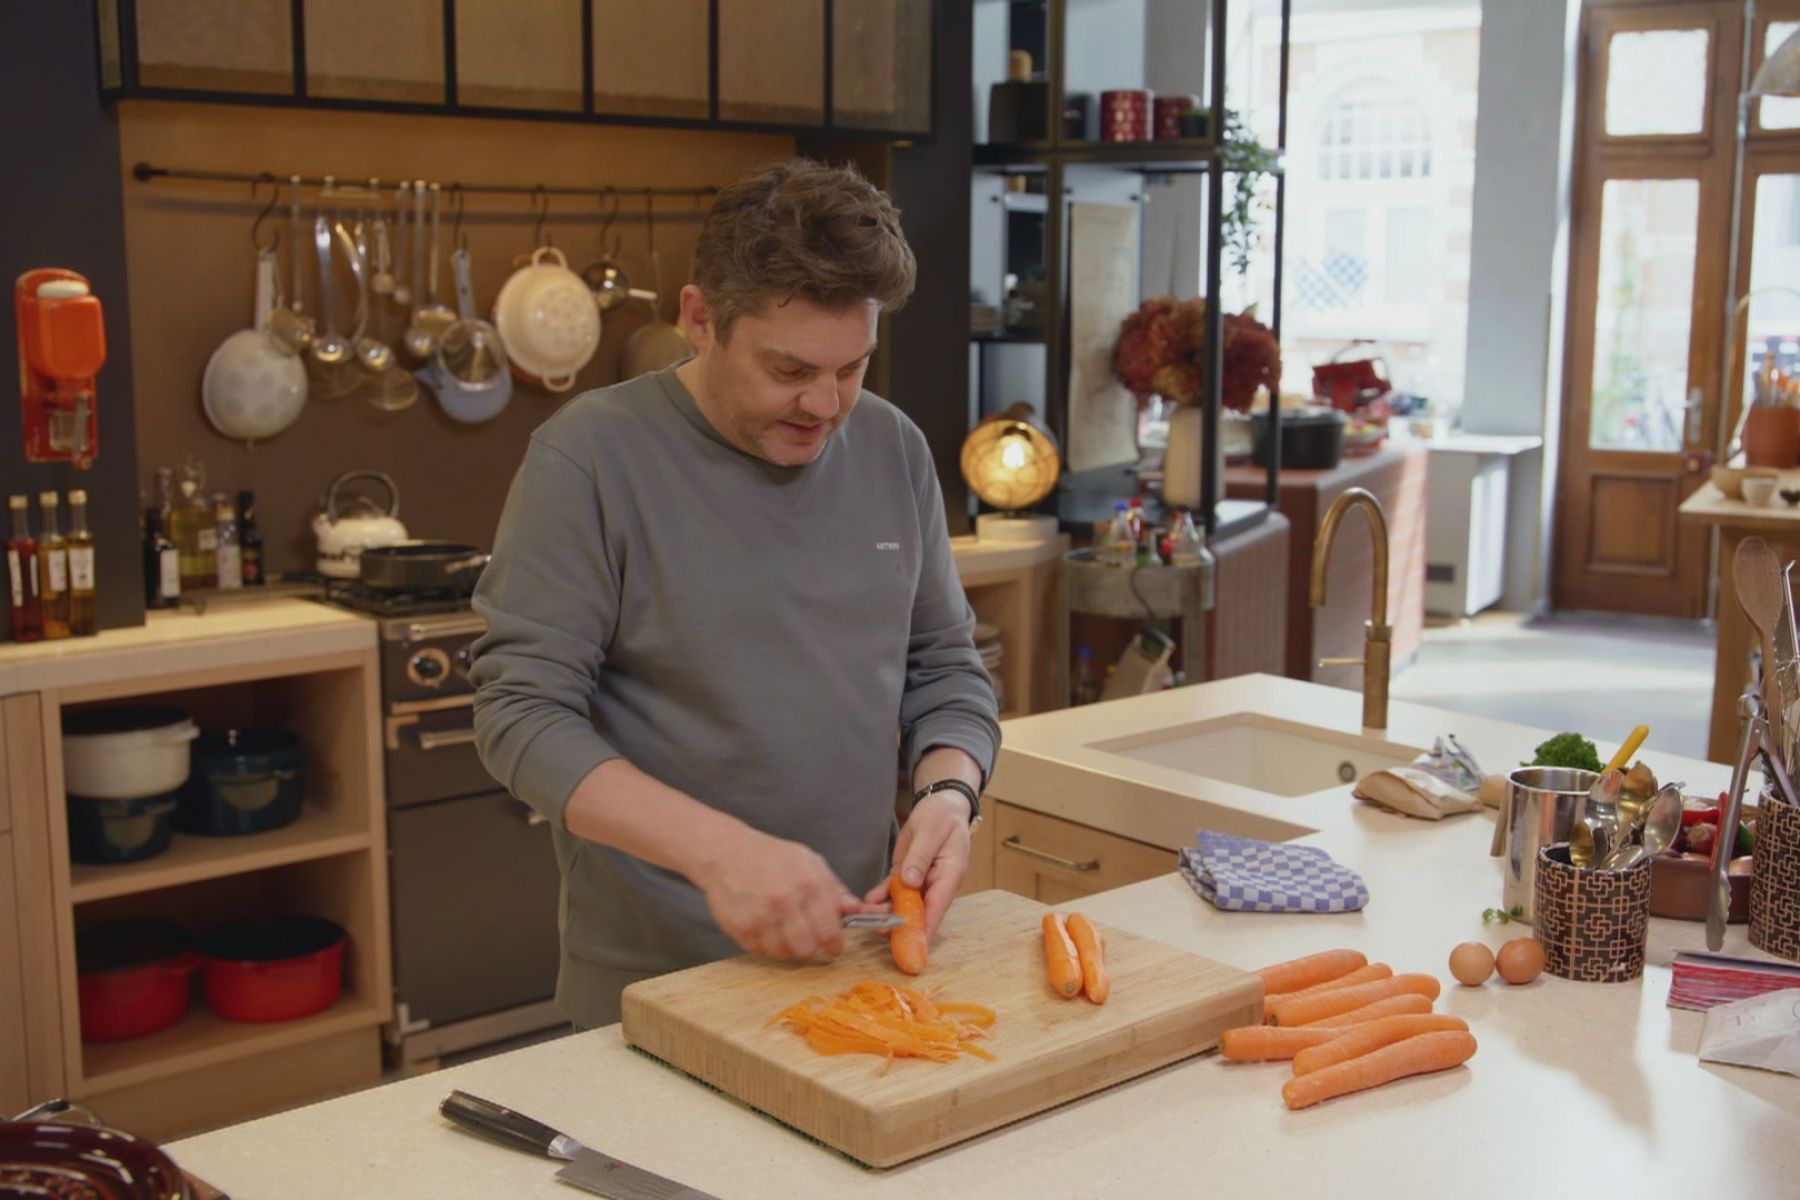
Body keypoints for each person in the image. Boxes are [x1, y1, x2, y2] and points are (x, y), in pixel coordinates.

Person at [469, 159, 1001, 1029]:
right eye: (789, 369)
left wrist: (950, 793)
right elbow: (520, 715)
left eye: (852, 367)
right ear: (699, 319)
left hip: (854, 960)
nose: (825, 405)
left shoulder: (893, 449)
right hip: (654, 989)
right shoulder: (590, 459)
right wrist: (719, 855)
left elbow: (943, 666)